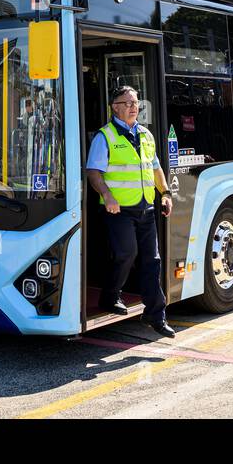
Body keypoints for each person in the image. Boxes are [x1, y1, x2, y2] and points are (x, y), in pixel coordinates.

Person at [85, 85, 175, 338]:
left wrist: (165, 193)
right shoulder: (105, 137)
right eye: (128, 103)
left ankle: (156, 315)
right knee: (126, 254)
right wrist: (107, 195)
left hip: (146, 207)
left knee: (152, 260)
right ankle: (110, 297)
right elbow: (94, 172)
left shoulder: (146, 135)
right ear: (115, 107)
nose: (134, 107)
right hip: (118, 210)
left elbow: (155, 167)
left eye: (136, 102)